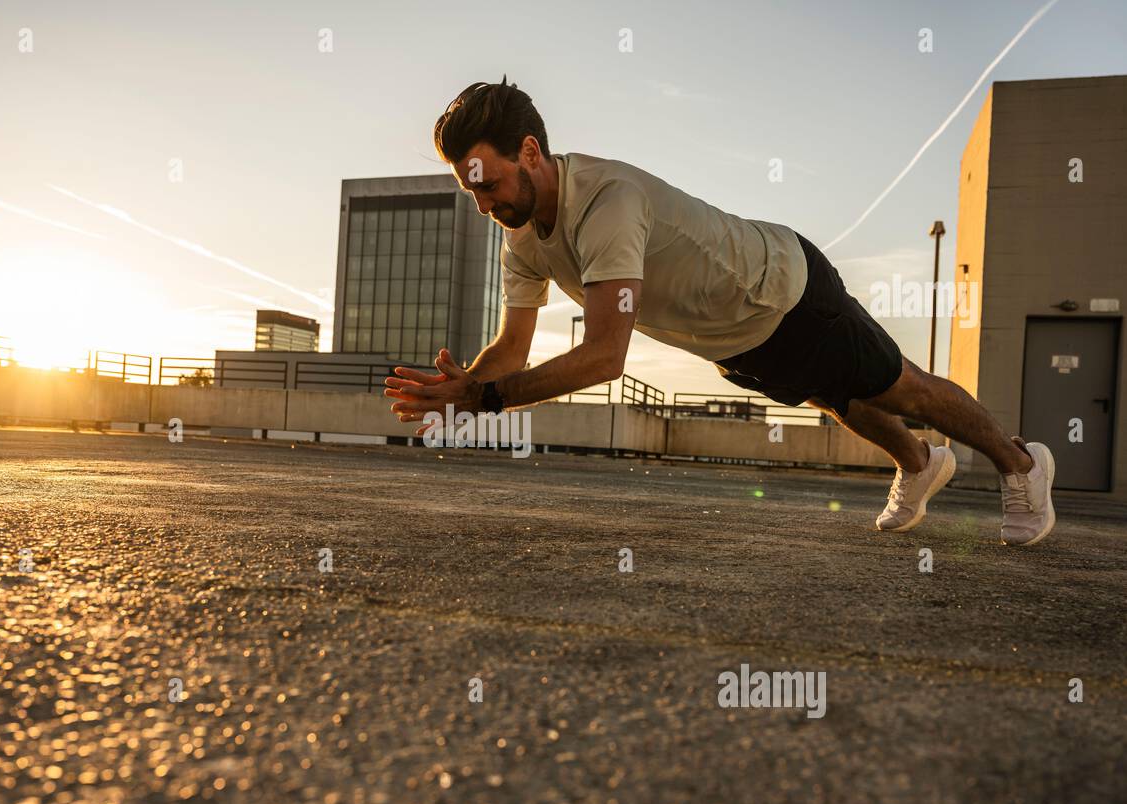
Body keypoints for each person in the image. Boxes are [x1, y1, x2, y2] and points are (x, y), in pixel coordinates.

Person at [383, 78, 1055, 546]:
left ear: (529, 151)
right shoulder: (521, 235)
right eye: (470, 190)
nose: (483, 205)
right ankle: (919, 463)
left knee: (899, 386)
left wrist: (486, 399)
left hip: (784, 292)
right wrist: (464, 386)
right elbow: (511, 349)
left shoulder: (606, 202)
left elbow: (604, 357)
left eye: (487, 182)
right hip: (734, 341)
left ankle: (1021, 465)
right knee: (835, 398)